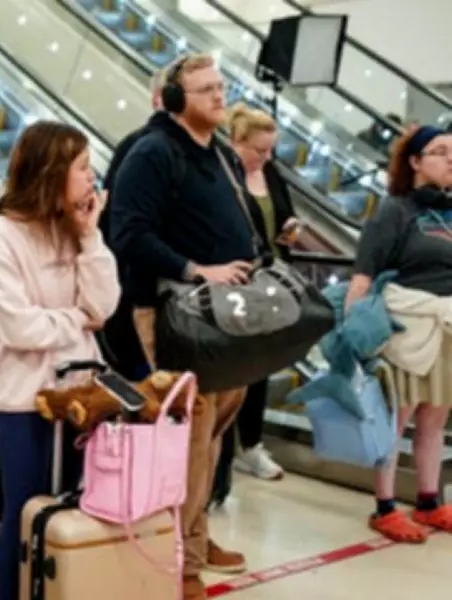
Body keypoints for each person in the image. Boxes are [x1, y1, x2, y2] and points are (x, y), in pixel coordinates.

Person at [110, 53, 258, 599]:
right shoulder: (151, 152)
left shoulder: (220, 154)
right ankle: (176, 562)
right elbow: (128, 234)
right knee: (188, 437)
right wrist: (197, 270)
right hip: (174, 313)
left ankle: (194, 540)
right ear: (174, 101)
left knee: (211, 438)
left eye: (221, 87)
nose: (220, 97)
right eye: (205, 90)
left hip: (227, 315)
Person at [0, 120, 120, 600]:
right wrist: (76, 318)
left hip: (82, 394)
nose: (91, 176)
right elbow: (20, 327)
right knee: (24, 512)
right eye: (81, 167)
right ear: (51, 171)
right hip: (23, 397)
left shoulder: (72, 228)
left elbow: (105, 306)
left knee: (74, 510)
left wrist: (91, 237)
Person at [345, 125, 452, 543]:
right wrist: (353, 338)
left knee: (435, 418)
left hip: (446, 326)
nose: (450, 160)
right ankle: (385, 506)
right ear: (414, 161)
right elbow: (363, 274)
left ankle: (428, 502)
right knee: (395, 419)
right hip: (406, 326)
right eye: (440, 151)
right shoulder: (395, 211)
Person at [212, 103, 300, 497]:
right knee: (235, 371)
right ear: (237, 142)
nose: (265, 157)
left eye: (269, 150)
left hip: (272, 280)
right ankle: (226, 448)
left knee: (262, 367)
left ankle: (250, 444)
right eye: (258, 149)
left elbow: (284, 215)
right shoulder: (224, 176)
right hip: (239, 283)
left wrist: (290, 229)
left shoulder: (271, 175)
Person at [98, 64, 171, 381]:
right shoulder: (142, 148)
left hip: (184, 295)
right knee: (155, 394)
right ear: (160, 99)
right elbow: (122, 227)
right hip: (146, 295)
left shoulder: (210, 152)